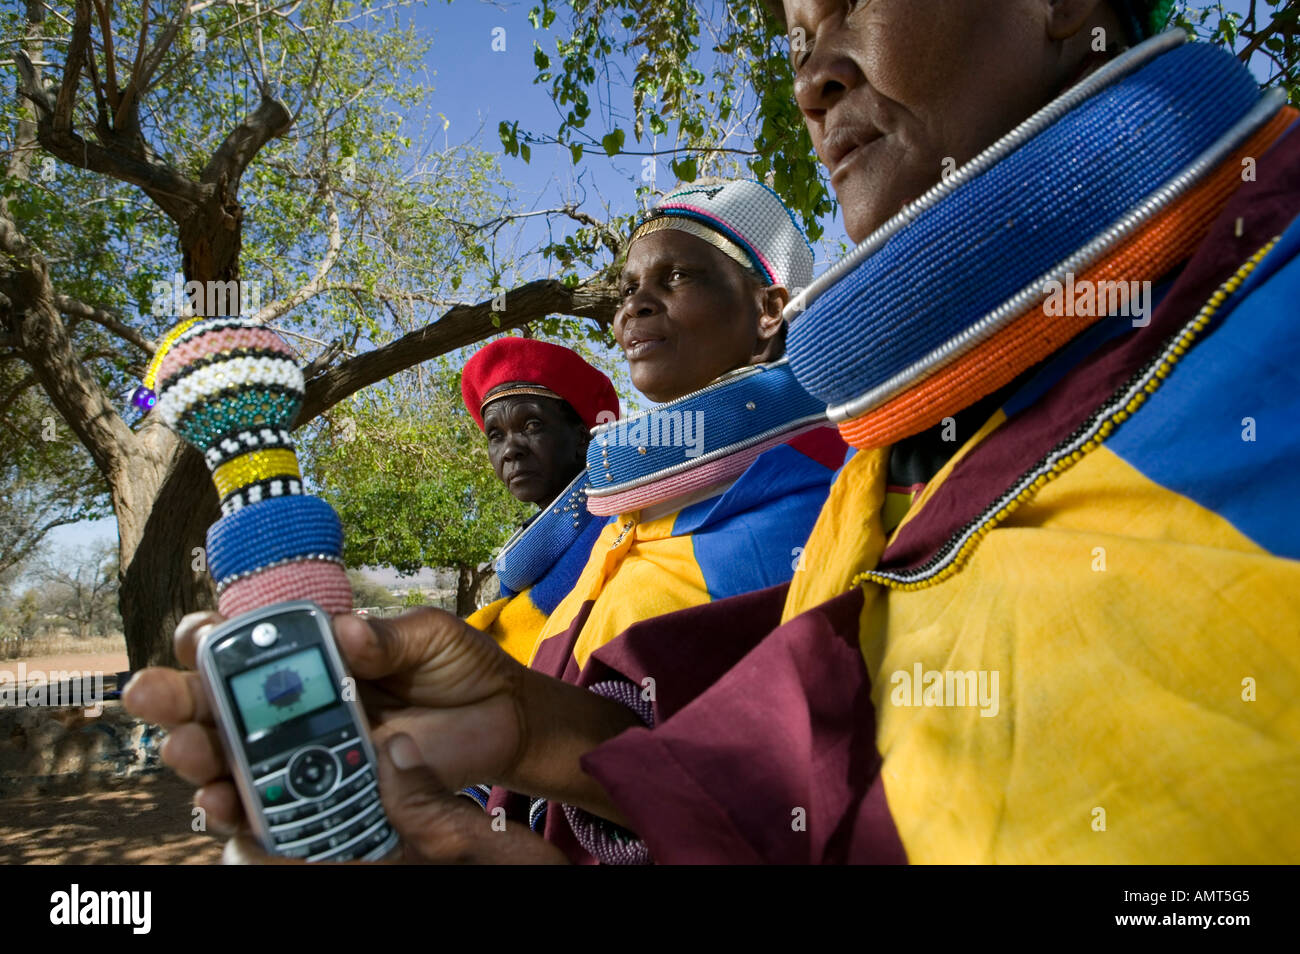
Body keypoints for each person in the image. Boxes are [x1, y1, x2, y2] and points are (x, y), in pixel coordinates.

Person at [128, 0, 1300, 865]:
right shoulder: (895, 470)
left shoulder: (1261, 312)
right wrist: (539, 733)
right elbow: (818, 784)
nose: (808, 78)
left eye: (846, 6)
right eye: (794, 34)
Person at [458, 337, 620, 664]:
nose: (510, 449)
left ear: (581, 438)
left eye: (531, 425)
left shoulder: (622, 528)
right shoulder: (520, 566)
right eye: (496, 435)